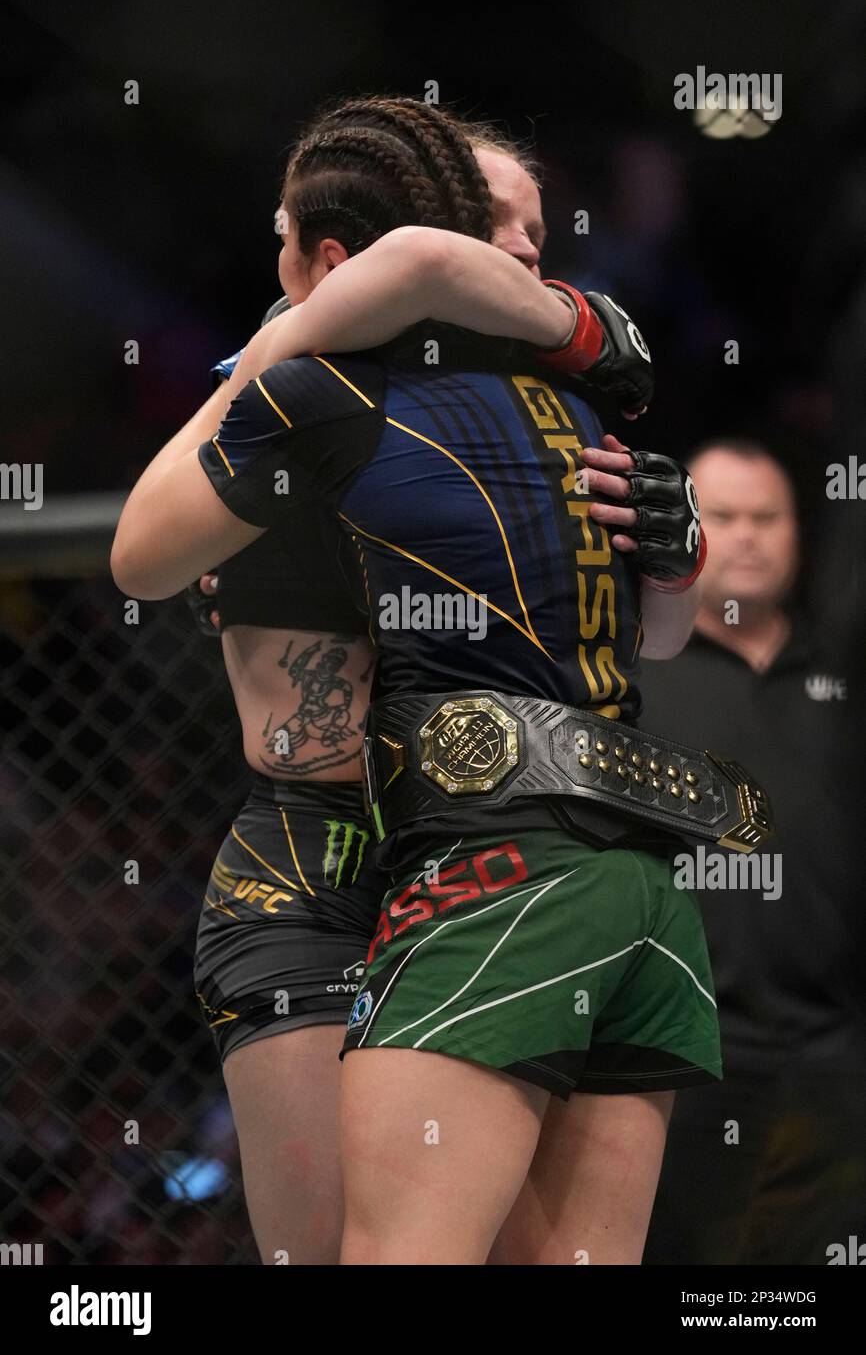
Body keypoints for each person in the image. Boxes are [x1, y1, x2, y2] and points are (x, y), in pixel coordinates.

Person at [112, 90, 730, 1263]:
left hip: (485, 845)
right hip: (322, 862)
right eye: (489, 221)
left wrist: (678, 558)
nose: (513, 255)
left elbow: (647, 644)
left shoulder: (548, 395)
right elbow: (142, 554)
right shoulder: (299, 386)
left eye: (537, 238)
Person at [639, 438, 866, 1265]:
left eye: (766, 517)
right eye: (722, 517)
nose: (746, 537)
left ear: (798, 531)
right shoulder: (631, 681)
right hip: (679, 1056)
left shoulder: (843, 677)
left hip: (837, 1052)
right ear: (686, 533)